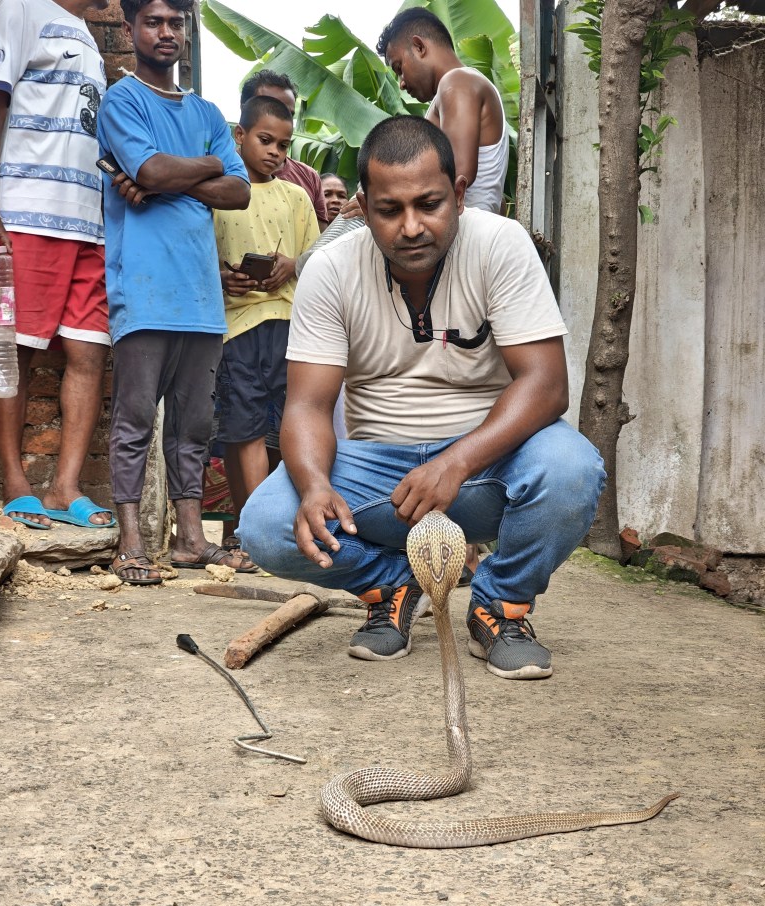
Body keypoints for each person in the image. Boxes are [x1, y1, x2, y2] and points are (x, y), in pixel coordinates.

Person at [238, 116, 605, 680]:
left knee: (572, 467)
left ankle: (500, 605)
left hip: (486, 470)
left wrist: (455, 461)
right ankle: (389, 584)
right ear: (364, 205)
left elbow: (547, 384)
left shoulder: (500, 244)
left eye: (429, 204)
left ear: (458, 194)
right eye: (390, 210)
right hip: (381, 479)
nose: (411, 227)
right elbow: (307, 406)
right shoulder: (331, 269)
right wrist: (314, 487)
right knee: (266, 524)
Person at [97, 0, 252, 584]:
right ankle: (131, 542)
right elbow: (154, 173)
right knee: (135, 418)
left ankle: (190, 539)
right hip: (145, 288)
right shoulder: (123, 100)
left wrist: (166, 178)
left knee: (193, 426)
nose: (167, 32)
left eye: (176, 22)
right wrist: (205, 166)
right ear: (132, 27)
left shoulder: (207, 110)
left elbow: (238, 193)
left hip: (201, 296)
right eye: (154, 21)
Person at [0, 0, 114, 530]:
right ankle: (16, 483)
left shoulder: (87, 35)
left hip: (89, 220)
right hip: (28, 209)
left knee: (89, 351)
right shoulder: (18, 8)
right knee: (16, 351)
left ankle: (65, 488)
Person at [214, 95, 319, 534]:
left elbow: (318, 255)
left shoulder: (296, 197)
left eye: (283, 144)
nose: (275, 151)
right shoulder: (217, 194)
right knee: (245, 430)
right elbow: (201, 258)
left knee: (292, 426)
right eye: (265, 140)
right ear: (239, 136)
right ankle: (256, 531)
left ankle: (281, 524)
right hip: (237, 328)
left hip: (290, 327)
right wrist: (224, 277)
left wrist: (292, 265)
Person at [377, 8, 509, 215]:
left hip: (461, 232)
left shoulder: (457, 82)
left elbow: (457, 174)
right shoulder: (456, 87)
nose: (401, 83)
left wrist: (381, 200)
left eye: (399, 68)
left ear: (419, 46)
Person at [240, 71, 329, 230]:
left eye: (289, 113)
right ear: (244, 109)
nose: (280, 117)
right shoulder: (219, 172)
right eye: (271, 108)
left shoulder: (308, 178)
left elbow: (317, 245)